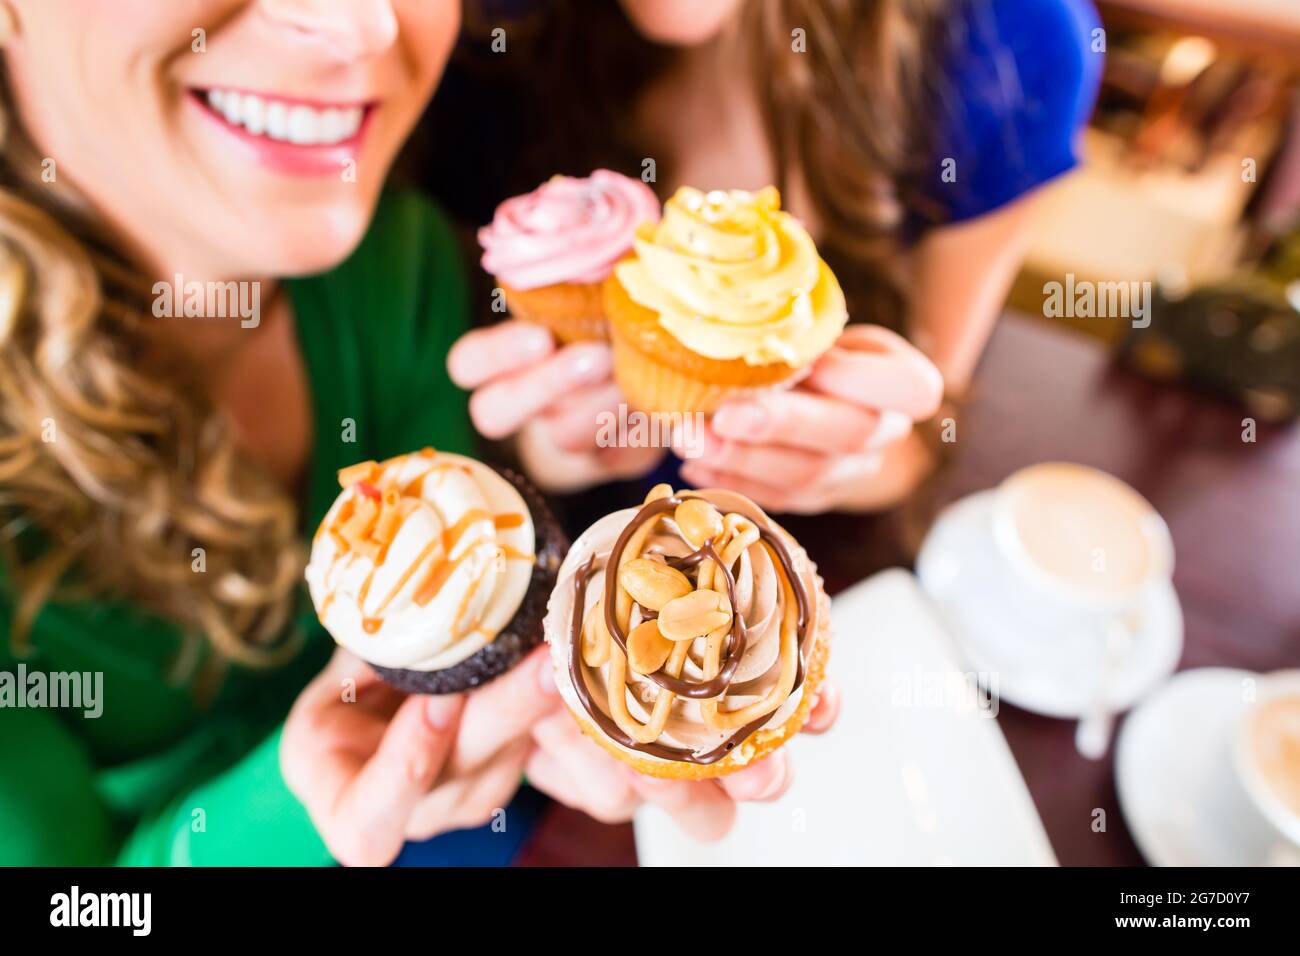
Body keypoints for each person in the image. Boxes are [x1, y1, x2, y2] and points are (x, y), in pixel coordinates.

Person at [0, 0, 829, 867]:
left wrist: (586, 634)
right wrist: (297, 805)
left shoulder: (399, 261)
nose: (360, 25)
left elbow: (478, 582)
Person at [446, 0, 1101, 513]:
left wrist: (863, 450)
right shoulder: (474, 26)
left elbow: (928, 428)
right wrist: (542, 442)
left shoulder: (1010, 41)